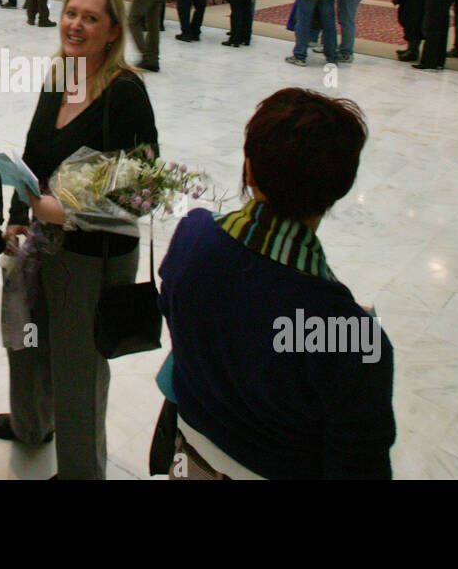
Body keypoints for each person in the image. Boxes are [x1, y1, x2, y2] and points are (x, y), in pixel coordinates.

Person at [157, 88, 394, 479]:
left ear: (248, 168)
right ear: (341, 187)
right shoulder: (351, 337)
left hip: (189, 458)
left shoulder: (193, 236)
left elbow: (181, 315)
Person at [0, 0, 158, 480]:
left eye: (90, 18)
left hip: (93, 253)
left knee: (78, 368)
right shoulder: (59, 76)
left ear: (112, 32)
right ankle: (31, 426)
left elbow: (145, 183)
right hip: (42, 240)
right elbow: (34, 155)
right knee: (27, 340)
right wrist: (19, 213)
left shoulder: (124, 91)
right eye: (70, 14)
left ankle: (82, 471)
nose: (75, 25)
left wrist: (69, 210)